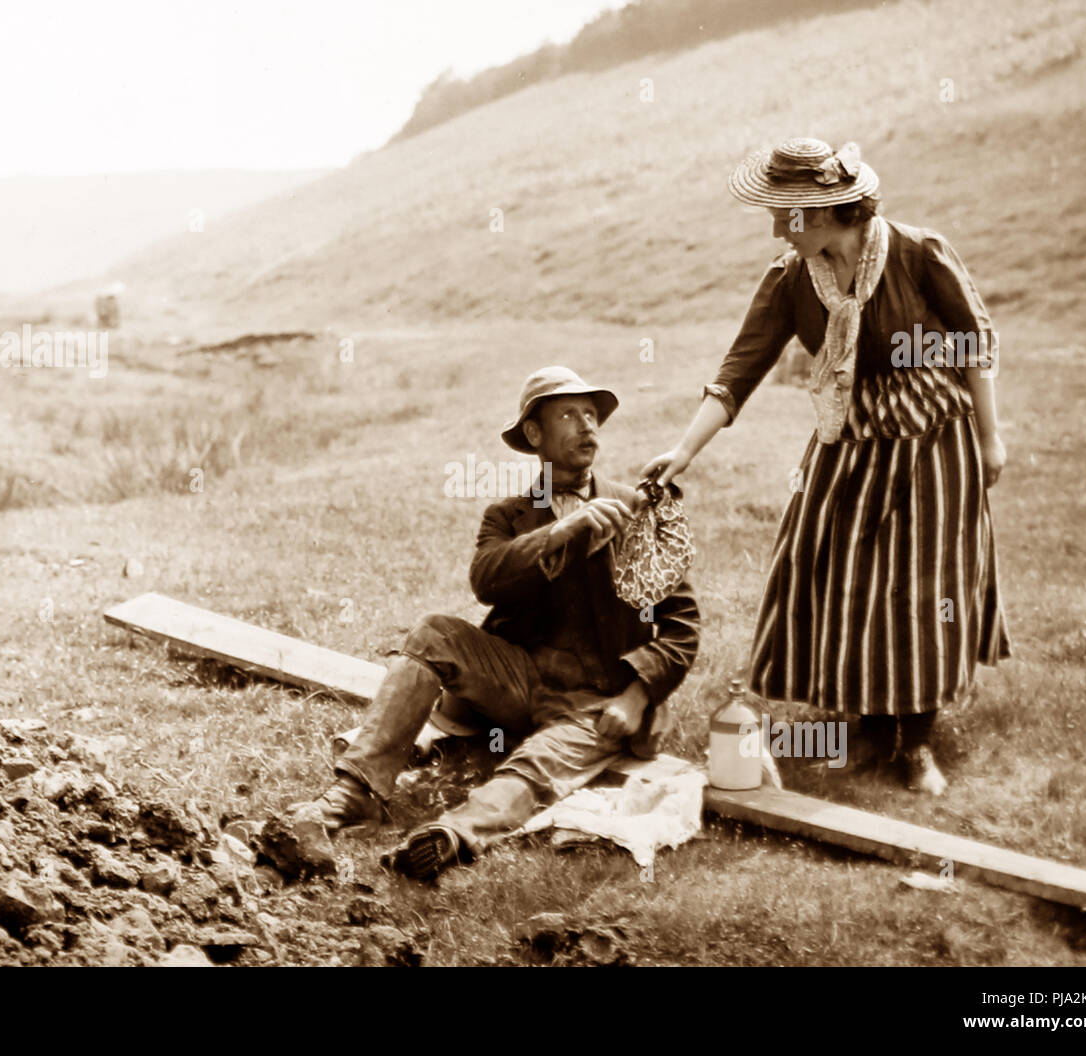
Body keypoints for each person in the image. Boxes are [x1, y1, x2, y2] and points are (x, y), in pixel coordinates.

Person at [643, 138, 1011, 795]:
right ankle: (871, 724)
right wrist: (684, 450)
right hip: (849, 439)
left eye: (782, 213)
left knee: (922, 590)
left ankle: (917, 741)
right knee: (841, 578)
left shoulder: (917, 253)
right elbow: (738, 371)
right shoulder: (791, 278)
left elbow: (974, 341)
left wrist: (990, 439)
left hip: (934, 439)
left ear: (821, 212)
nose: (773, 225)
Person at [308, 366, 701, 880]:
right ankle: (354, 793)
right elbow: (486, 581)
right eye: (568, 414)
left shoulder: (636, 507)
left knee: (535, 767)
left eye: (591, 414)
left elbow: (682, 626)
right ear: (535, 435)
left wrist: (636, 698)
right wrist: (561, 531)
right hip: (517, 680)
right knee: (433, 633)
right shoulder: (508, 515)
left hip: (596, 700)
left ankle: (450, 837)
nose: (587, 426)